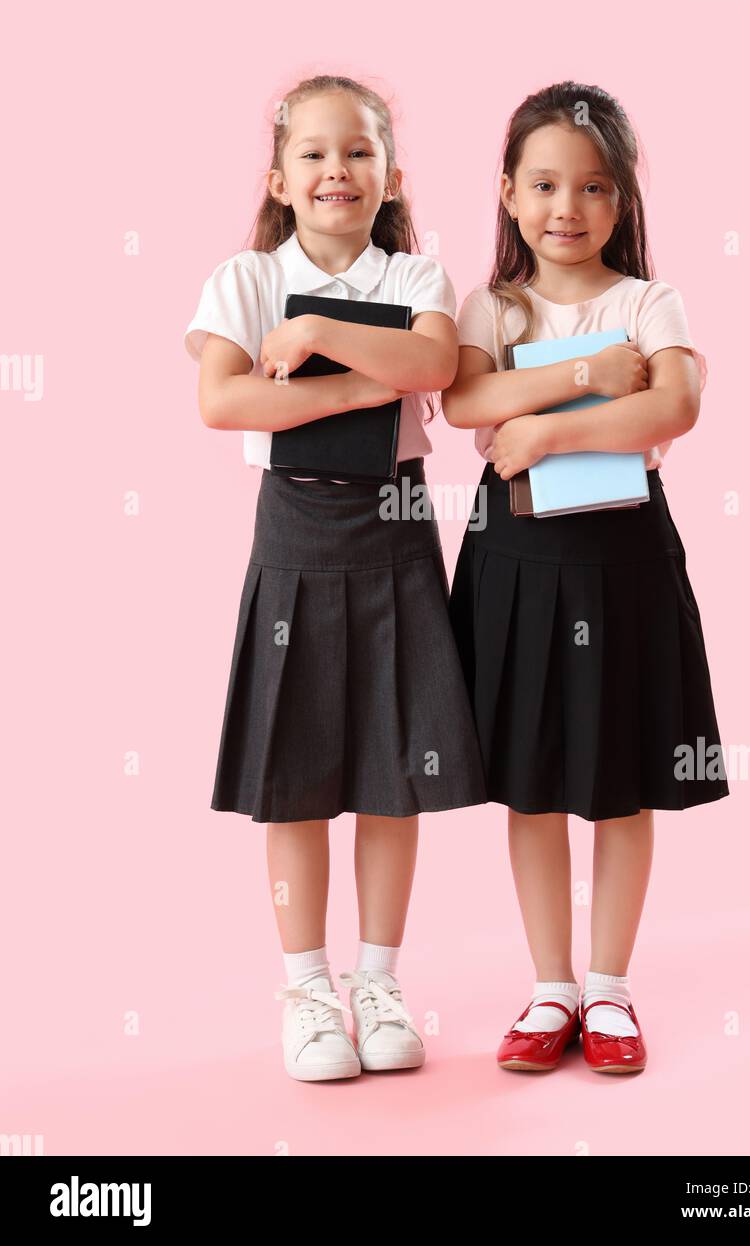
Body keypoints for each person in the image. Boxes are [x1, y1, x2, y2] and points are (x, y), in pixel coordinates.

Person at [184, 75, 486, 1081]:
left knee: (394, 769)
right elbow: (224, 403)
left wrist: (313, 342)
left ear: (389, 173)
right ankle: (307, 990)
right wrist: (374, 378)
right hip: (294, 534)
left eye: (357, 151)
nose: (335, 171)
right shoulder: (242, 278)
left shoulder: (416, 278)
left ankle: (379, 980)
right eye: (312, 153)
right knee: (295, 777)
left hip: (395, 525)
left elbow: (436, 362)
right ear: (278, 177)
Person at [444, 80, 728, 1075]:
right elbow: (465, 394)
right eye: (545, 184)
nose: (566, 207)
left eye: (593, 187)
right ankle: (549, 987)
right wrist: (587, 376)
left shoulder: (650, 300)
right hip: (516, 558)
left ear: (622, 202)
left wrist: (542, 429)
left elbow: (673, 406)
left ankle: (607, 992)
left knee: (618, 782)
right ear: (509, 194)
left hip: (621, 559)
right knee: (528, 781)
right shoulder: (488, 303)